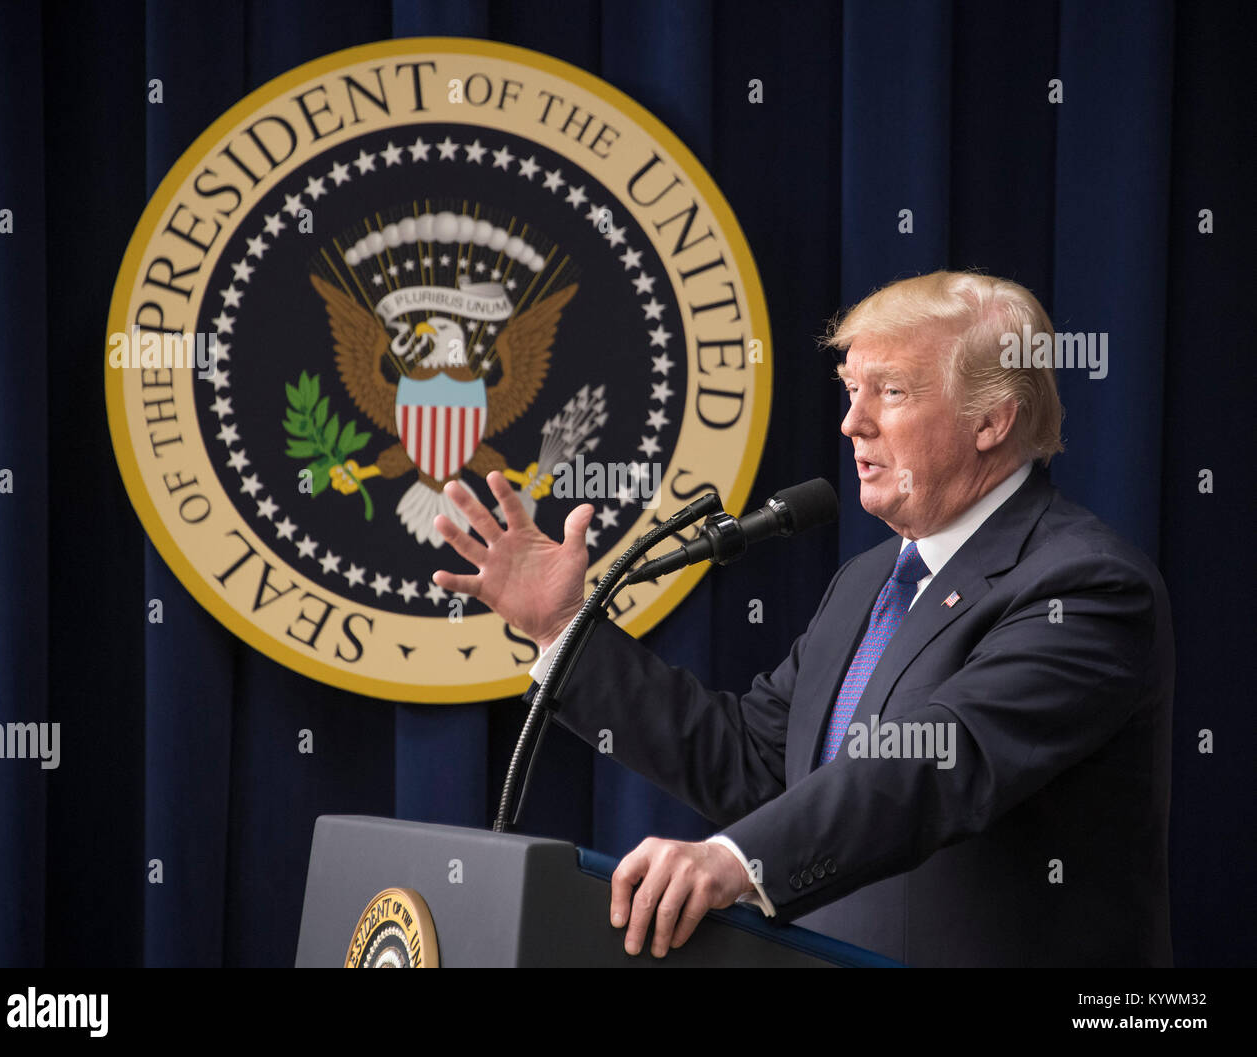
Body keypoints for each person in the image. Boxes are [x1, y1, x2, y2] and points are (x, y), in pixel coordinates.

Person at [431, 271, 1174, 967]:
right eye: (851, 390)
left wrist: (732, 858)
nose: (852, 422)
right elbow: (755, 766)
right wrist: (564, 627)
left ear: (991, 420)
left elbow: (937, 763)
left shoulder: (1085, 586)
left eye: (889, 391)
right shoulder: (867, 582)